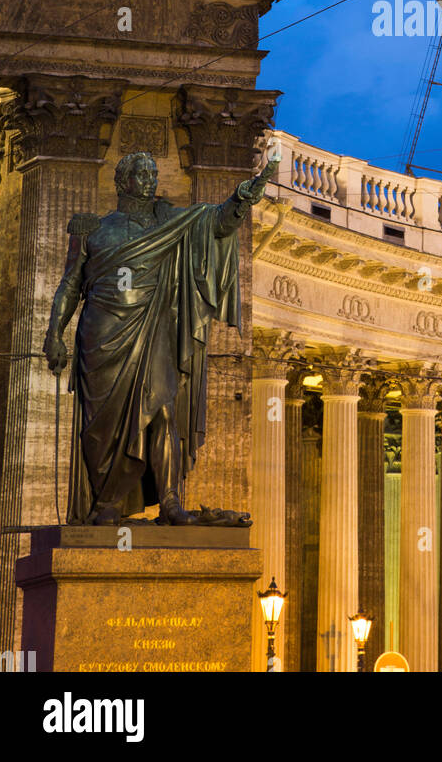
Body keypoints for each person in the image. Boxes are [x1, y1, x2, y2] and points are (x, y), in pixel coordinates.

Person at [43, 152, 273, 526]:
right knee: (103, 425)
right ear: (123, 181)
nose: (150, 180)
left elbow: (216, 223)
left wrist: (243, 195)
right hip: (101, 335)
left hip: (155, 330)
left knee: (164, 409)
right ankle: (108, 501)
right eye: (141, 174)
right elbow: (70, 284)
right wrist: (54, 333)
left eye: (153, 174)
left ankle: (169, 501)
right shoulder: (93, 229)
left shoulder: (171, 222)